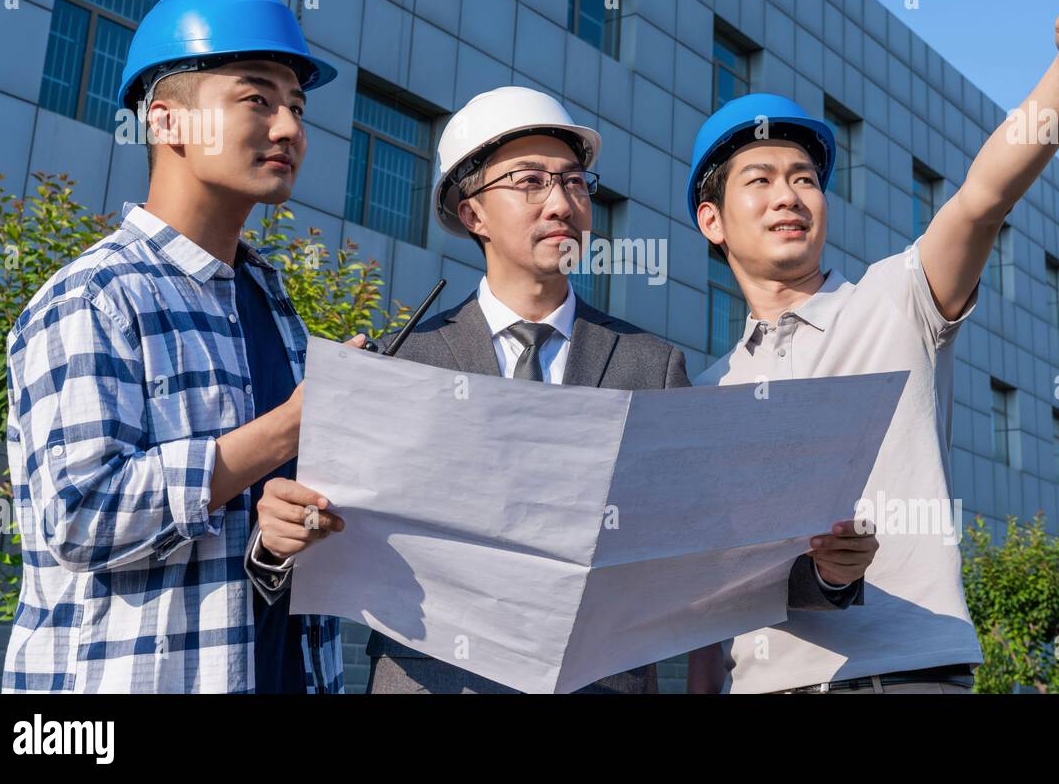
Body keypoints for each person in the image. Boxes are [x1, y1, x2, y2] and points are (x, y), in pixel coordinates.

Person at [250, 85, 877, 693]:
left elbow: (712, 552)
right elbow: (311, 550)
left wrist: (827, 574)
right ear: (472, 213)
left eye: (574, 182)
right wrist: (276, 542)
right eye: (530, 181)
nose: (561, 203)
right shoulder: (402, 364)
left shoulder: (651, 367)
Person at [686, 0, 1059, 694]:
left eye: (805, 177)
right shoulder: (706, 393)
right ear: (713, 220)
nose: (789, 195)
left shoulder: (896, 298)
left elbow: (983, 195)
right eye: (762, 178)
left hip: (908, 674)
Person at [2, 0, 360, 693]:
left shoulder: (275, 308)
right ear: (166, 123)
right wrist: (288, 428)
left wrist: (282, 535)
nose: (289, 128)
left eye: (296, 106)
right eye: (257, 99)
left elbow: (243, 545)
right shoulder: (96, 297)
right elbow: (79, 516)